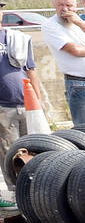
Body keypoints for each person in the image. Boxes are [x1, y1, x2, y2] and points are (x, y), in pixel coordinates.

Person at [1, 17, 49, 205]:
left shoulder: (17, 38)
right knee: (9, 151)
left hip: (27, 104)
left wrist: (38, 101)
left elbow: (31, 70)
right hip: (3, 106)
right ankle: (16, 193)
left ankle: (37, 189)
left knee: (34, 148)